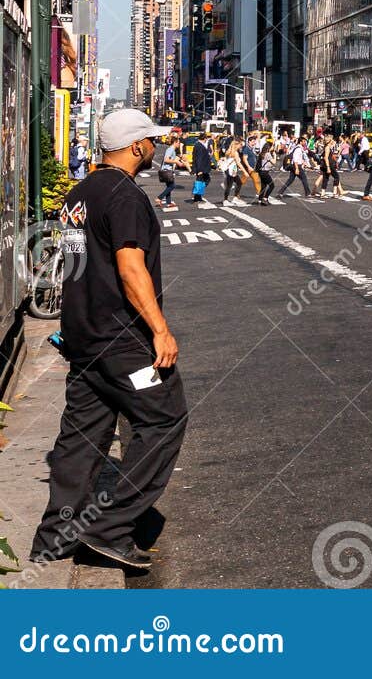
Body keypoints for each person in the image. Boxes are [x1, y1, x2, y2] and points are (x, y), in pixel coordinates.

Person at [30, 109, 189, 572]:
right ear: (137, 146)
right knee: (163, 420)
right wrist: (160, 330)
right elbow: (129, 267)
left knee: (82, 437)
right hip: (122, 342)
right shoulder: (125, 197)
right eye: (151, 141)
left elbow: (79, 266)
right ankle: (109, 528)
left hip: (82, 337)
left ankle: (55, 538)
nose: (155, 148)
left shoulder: (79, 194)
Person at [156, 135, 186, 210]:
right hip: (167, 170)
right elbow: (166, 160)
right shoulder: (171, 150)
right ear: (175, 142)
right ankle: (159, 198)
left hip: (167, 170)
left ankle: (168, 203)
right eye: (178, 143)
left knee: (169, 186)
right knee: (172, 186)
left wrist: (179, 161)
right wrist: (176, 162)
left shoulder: (172, 150)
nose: (179, 144)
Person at [188, 134, 213, 206]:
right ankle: (197, 197)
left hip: (202, 168)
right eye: (206, 139)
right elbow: (199, 159)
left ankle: (198, 196)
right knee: (202, 181)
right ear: (204, 138)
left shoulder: (198, 145)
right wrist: (199, 170)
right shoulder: (199, 146)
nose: (206, 140)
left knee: (203, 181)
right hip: (201, 168)